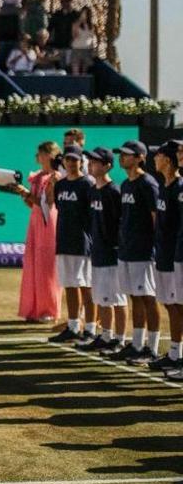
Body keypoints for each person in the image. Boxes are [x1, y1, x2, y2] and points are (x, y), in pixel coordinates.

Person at [109, 140, 160, 362]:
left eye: (128, 155)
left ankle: (153, 348)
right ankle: (137, 344)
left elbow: (155, 218)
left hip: (143, 251)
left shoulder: (147, 184)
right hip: (127, 250)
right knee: (135, 297)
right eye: (122, 154)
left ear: (140, 157)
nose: (123, 158)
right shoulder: (126, 185)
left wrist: (154, 247)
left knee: (148, 297)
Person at [73, 147, 127, 353]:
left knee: (117, 298)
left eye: (95, 161)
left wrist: (115, 246)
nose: (90, 164)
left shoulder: (114, 191)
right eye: (90, 161)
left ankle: (120, 339)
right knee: (102, 296)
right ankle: (106, 335)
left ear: (107, 166)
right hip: (98, 252)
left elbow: (120, 222)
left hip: (112, 253)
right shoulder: (93, 190)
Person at [47, 145, 96, 343]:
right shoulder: (60, 184)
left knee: (85, 286)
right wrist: (51, 185)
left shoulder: (87, 184)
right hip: (64, 240)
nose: (70, 163)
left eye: (74, 160)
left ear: (81, 161)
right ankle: (73, 326)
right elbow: (56, 206)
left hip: (82, 242)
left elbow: (91, 214)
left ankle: (91, 328)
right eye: (67, 159)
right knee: (69, 285)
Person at [15, 141, 61, 322]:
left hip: (48, 221)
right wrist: (23, 194)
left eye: (42, 153)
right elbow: (32, 204)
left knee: (46, 266)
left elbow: (47, 204)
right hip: (35, 221)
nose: (38, 156)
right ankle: (33, 308)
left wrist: (26, 194)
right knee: (33, 263)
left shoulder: (54, 177)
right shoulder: (38, 176)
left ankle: (48, 309)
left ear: (50, 155)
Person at [149, 142, 183, 370]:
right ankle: (173, 353)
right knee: (171, 304)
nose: (154, 159)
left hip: (175, 258)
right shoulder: (164, 186)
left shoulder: (180, 189)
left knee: (179, 306)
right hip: (164, 256)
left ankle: (178, 355)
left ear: (167, 160)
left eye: (158, 156)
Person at [70, 6, 97, 75]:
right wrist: (79, 21)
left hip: (86, 48)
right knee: (75, 71)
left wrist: (93, 47)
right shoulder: (76, 24)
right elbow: (73, 35)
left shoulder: (91, 25)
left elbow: (92, 37)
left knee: (84, 71)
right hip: (77, 48)